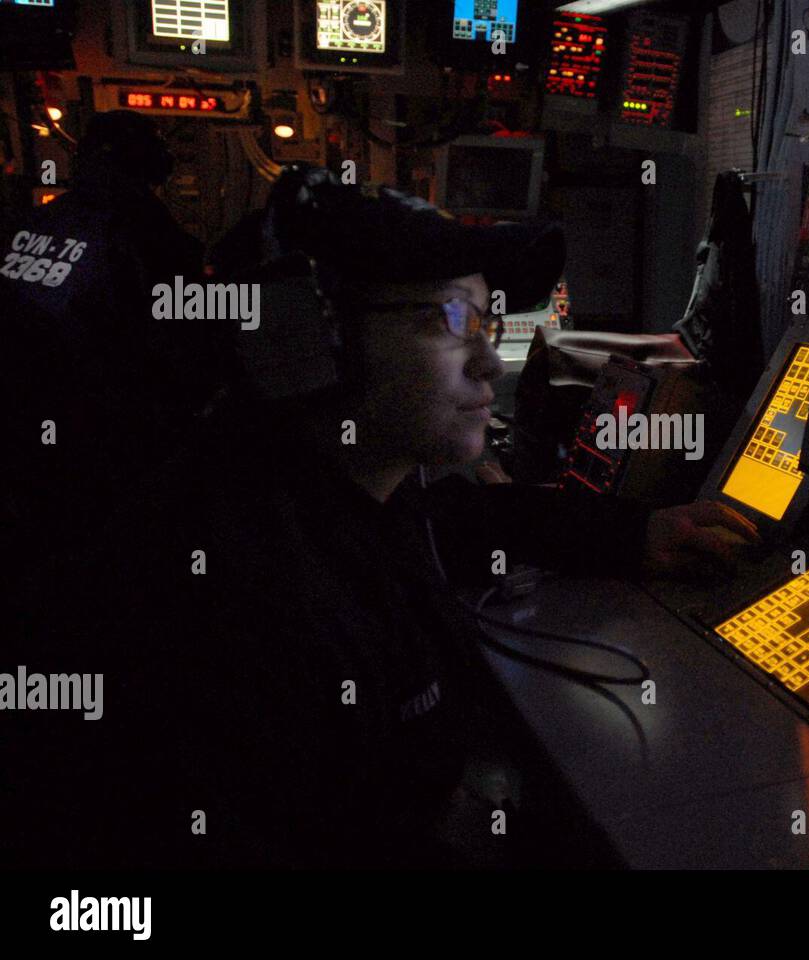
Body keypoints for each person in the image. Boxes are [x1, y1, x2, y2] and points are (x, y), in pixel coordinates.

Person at [12, 167, 758, 869]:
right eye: (451, 319)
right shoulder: (234, 599)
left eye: (484, 321)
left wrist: (634, 531)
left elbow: (454, 522)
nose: (488, 363)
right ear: (307, 340)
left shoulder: (324, 485)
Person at [0, 110, 216, 609]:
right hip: (108, 448)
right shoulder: (149, 236)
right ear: (152, 166)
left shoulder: (33, 222)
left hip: (23, 443)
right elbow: (191, 347)